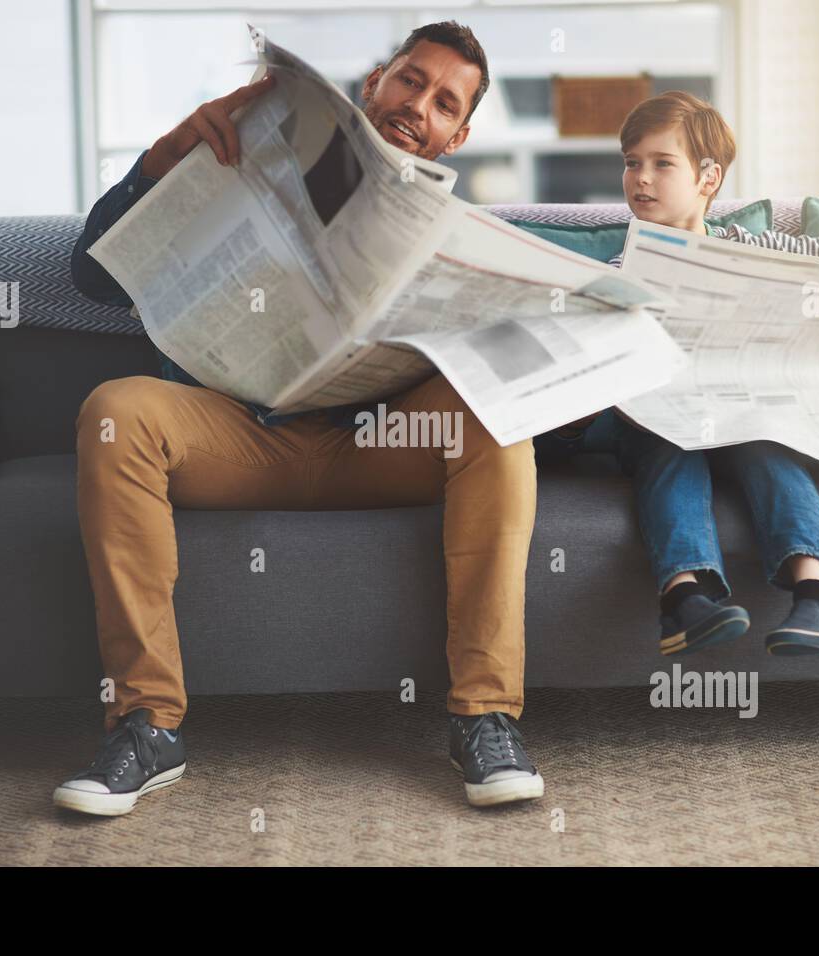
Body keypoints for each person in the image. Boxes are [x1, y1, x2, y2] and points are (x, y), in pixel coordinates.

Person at [55, 21, 544, 816]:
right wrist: (164, 154)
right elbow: (92, 276)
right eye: (411, 81)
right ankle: (145, 724)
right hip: (240, 436)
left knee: (498, 419)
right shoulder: (242, 153)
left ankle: (484, 717)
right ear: (375, 82)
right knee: (116, 412)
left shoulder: (460, 234)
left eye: (444, 102)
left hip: (379, 445)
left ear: (457, 136)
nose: (420, 105)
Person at [541, 91, 819, 659]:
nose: (641, 179)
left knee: (767, 446)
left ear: (708, 178)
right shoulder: (613, 274)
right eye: (631, 163)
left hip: (745, 411)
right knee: (665, 449)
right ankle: (685, 600)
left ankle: (816, 596)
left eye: (661, 163)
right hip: (655, 423)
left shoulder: (754, 247)